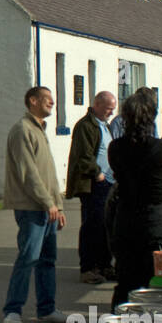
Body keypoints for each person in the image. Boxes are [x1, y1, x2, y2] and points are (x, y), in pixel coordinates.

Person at [107, 87, 162, 307]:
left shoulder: (115, 148)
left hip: (126, 218)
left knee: (126, 281)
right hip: (156, 220)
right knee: (161, 281)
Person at [1, 86, 67, 323]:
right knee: (28, 257)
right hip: (32, 207)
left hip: (47, 207)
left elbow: (48, 174)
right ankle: (12, 311)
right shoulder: (23, 130)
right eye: (48, 99)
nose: (52, 103)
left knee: (48, 260)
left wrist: (58, 206)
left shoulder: (39, 130)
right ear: (33, 101)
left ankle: (47, 309)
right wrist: (48, 202)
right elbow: (29, 173)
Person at [66, 91, 116, 284]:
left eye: (112, 109)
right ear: (97, 104)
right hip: (94, 184)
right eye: (108, 108)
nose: (110, 113)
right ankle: (88, 268)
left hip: (108, 182)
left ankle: (104, 265)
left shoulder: (104, 125)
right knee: (92, 226)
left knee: (105, 226)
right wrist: (97, 173)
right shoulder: (86, 126)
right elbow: (83, 155)